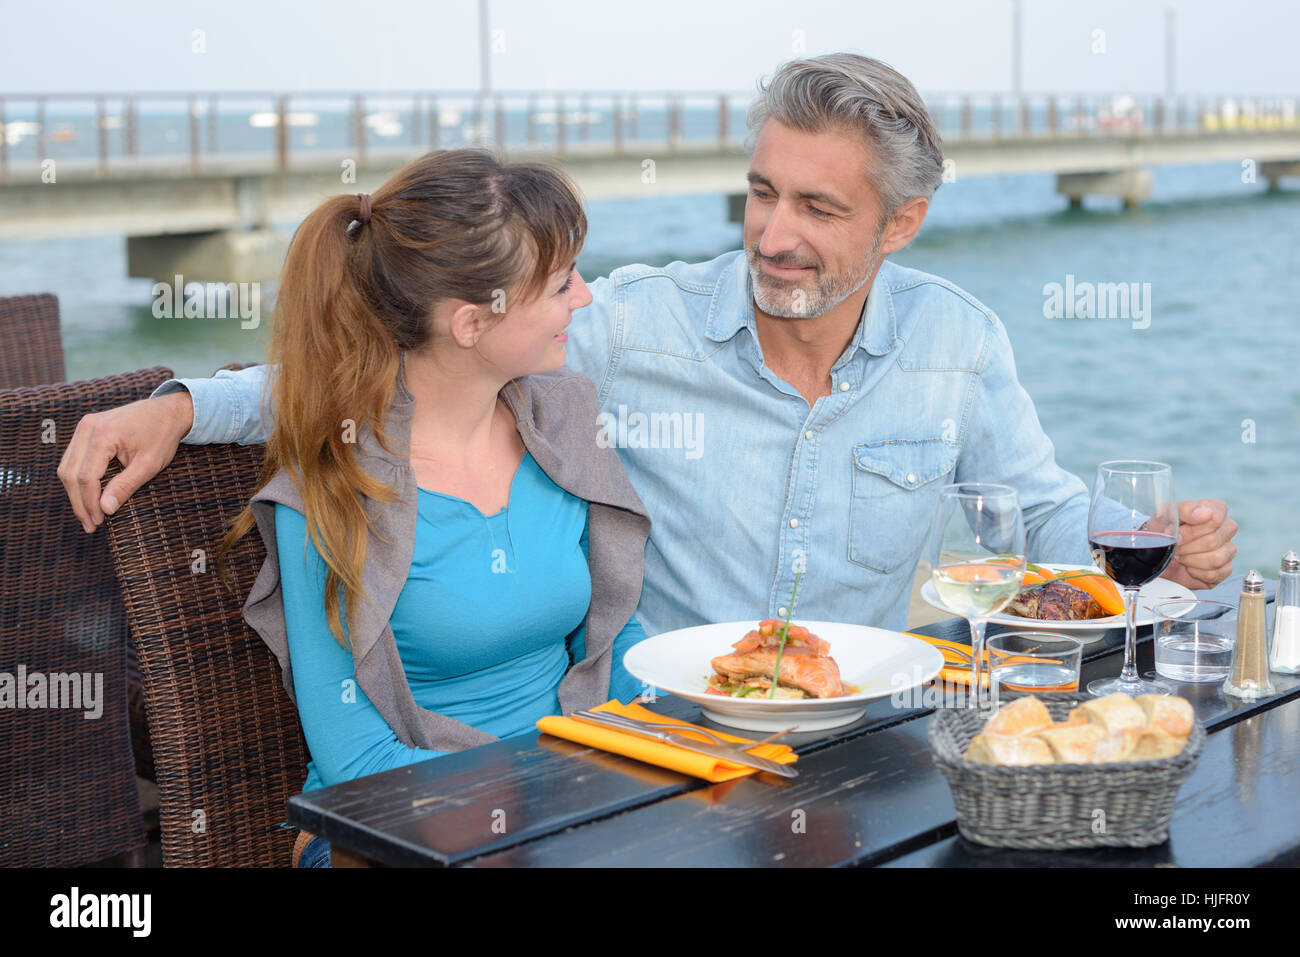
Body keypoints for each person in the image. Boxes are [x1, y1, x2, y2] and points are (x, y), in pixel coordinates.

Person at [60, 52, 1238, 644]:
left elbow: (1029, 524)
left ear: (901, 223)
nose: (773, 237)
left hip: (866, 738)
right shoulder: (634, 327)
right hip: (655, 749)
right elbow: (418, 367)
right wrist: (180, 401)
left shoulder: (958, 345)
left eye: (819, 211)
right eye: (760, 192)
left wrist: (1157, 552)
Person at [184, 150, 652, 867]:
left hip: (573, 802)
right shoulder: (335, 487)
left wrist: (701, 718)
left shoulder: (562, 421)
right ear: (471, 323)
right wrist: (554, 800)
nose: (583, 298)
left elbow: (611, 641)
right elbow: (354, 756)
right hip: (405, 823)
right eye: (561, 283)